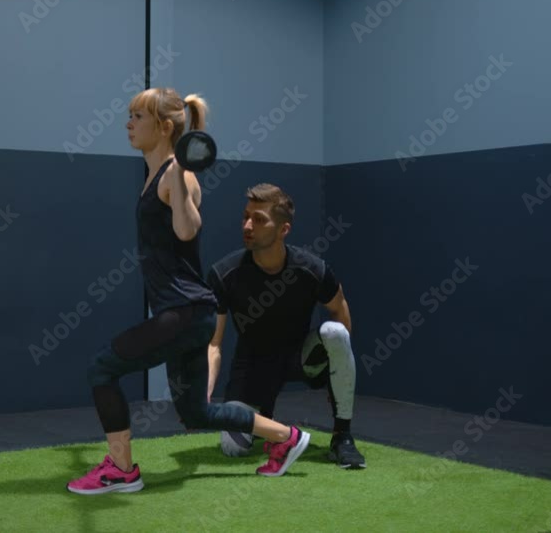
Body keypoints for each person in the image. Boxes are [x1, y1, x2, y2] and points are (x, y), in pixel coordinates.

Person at [66, 89, 311, 495]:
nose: (128, 123)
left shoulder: (175, 177)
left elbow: (186, 228)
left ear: (163, 127)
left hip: (184, 311)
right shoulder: (155, 173)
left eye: (137, 116)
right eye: (129, 115)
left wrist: (179, 174)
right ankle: (286, 437)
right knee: (197, 412)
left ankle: (122, 470)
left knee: (102, 369)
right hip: (189, 312)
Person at [205, 184, 366, 469]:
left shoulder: (312, 269)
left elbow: (341, 312)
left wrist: (334, 369)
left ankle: (342, 436)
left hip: (299, 358)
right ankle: (265, 419)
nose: (247, 225)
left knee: (335, 333)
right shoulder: (225, 274)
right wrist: (203, 396)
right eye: (245, 216)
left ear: (283, 230)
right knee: (232, 448)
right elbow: (214, 344)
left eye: (258, 219)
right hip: (252, 365)